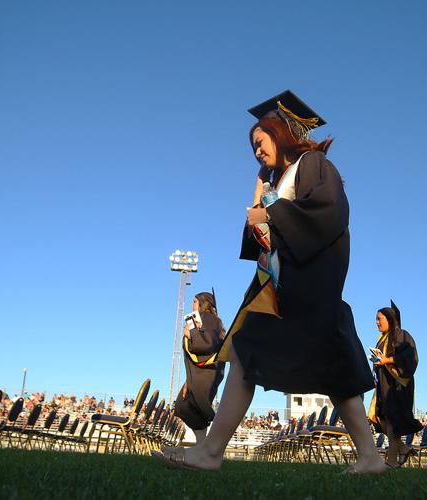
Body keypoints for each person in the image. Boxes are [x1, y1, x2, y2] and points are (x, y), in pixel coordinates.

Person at [153, 90, 386, 474]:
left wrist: (272, 208)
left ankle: (211, 453)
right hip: (288, 290)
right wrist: (261, 193)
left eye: (260, 143)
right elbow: (260, 238)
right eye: (253, 149)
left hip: (303, 292)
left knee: (247, 351)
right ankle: (371, 457)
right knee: (337, 371)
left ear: (280, 134)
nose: (257, 153)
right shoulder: (281, 180)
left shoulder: (313, 164)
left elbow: (328, 214)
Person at [367, 301, 422, 467]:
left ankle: (391, 462)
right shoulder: (382, 339)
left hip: (398, 385)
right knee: (380, 418)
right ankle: (403, 448)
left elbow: (410, 358)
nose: (376, 322)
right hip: (384, 385)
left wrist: (387, 360)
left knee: (391, 420)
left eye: (379, 319)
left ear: (390, 319)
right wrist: (378, 361)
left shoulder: (401, 335)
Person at [173, 291, 227, 445]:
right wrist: (188, 381)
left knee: (194, 407)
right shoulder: (212, 320)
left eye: (195, 301)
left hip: (206, 373)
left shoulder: (209, 319)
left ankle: (206, 446)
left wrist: (190, 335)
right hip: (202, 373)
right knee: (186, 405)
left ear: (203, 303)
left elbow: (207, 343)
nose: (192, 304)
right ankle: (202, 444)